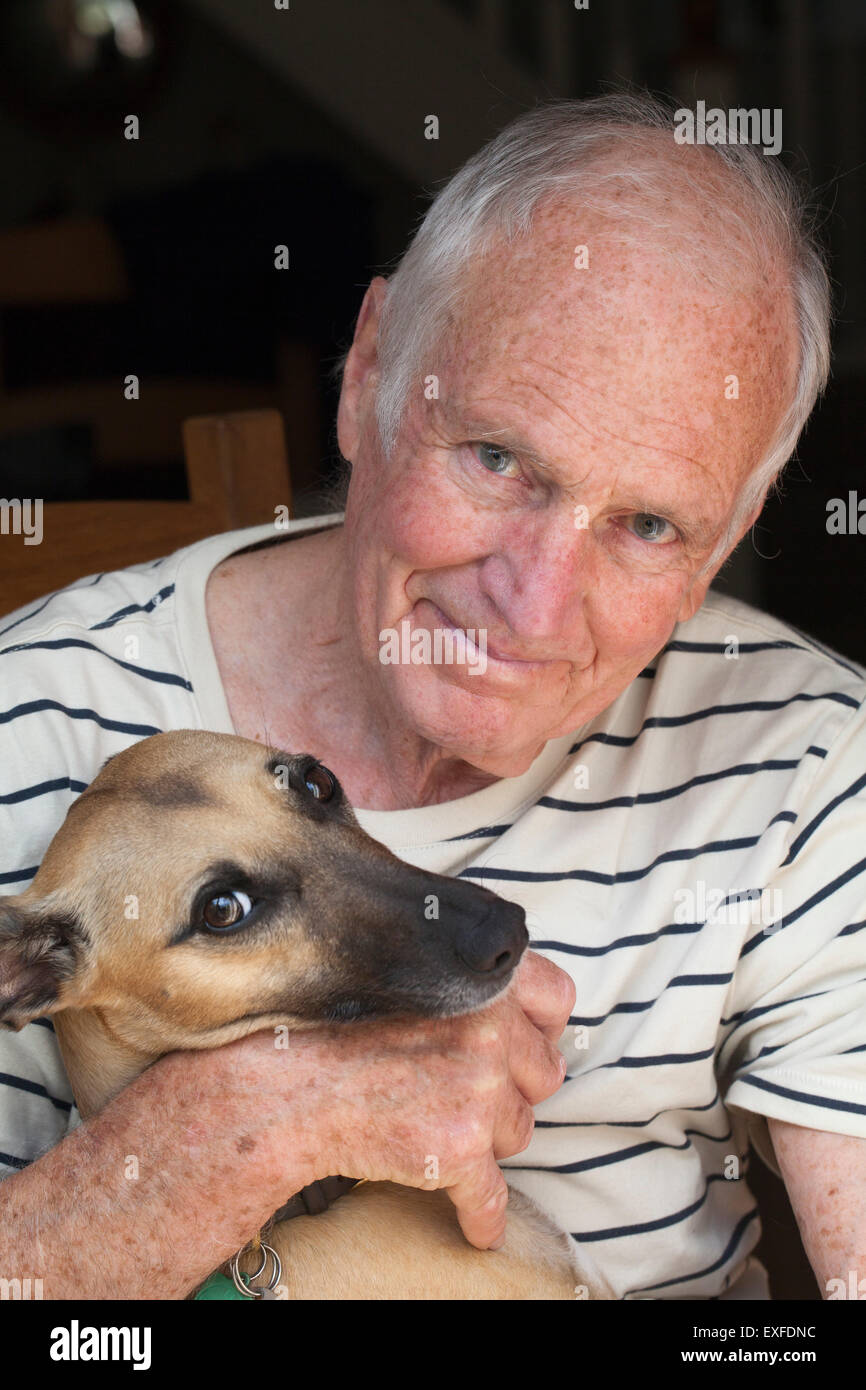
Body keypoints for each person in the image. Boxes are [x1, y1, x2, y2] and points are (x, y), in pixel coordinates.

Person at [1, 91, 864, 1301]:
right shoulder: (25, 716)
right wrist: (208, 1150)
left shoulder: (817, 765)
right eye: (498, 458)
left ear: (724, 542)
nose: (534, 602)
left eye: (648, 523)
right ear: (365, 375)